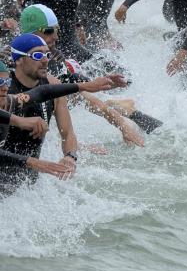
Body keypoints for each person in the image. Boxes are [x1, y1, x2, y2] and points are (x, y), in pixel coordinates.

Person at [0, 34, 119, 194]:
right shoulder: (5, 92)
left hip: (27, 188)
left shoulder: (50, 86)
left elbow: (67, 132)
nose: (45, 60)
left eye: (47, 54)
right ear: (19, 59)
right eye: (37, 55)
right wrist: (32, 161)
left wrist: (70, 156)